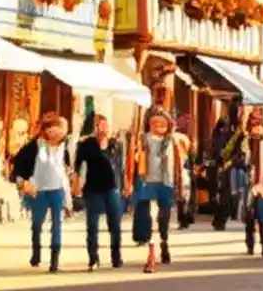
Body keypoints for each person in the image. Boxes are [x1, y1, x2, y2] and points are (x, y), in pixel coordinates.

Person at [10, 113, 72, 273]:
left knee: (57, 224)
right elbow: (17, 164)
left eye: (58, 129)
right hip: (39, 191)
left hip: (57, 190)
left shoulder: (65, 147)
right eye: (51, 128)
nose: (55, 132)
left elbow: (66, 170)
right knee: (37, 224)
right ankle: (36, 252)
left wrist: (68, 196)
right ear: (46, 130)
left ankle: (54, 259)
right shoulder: (35, 146)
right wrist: (23, 182)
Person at [131, 107, 185, 273]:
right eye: (155, 123)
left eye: (162, 124)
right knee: (152, 219)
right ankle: (151, 255)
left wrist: (181, 185)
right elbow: (134, 158)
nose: (158, 127)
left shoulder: (174, 141)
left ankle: (164, 241)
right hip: (149, 183)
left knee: (164, 219)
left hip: (166, 185)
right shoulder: (143, 139)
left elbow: (181, 162)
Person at [75, 114, 123, 271]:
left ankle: (116, 256)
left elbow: (120, 166)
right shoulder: (86, 145)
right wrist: (76, 185)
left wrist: (126, 184)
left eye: (106, 125)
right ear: (94, 127)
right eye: (100, 125)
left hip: (112, 188)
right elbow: (78, 166)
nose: (104, 128)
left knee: (115, 225)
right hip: (93, 189)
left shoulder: (115, 144)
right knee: (92, 225)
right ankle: (93, 257)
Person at [238, 111, 263, 257]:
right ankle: (250, 244)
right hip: (249, 183)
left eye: (259, 125)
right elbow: (234, 157)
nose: (256, 129)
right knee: (249, 215)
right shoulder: (244, 142)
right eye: (253, 125)